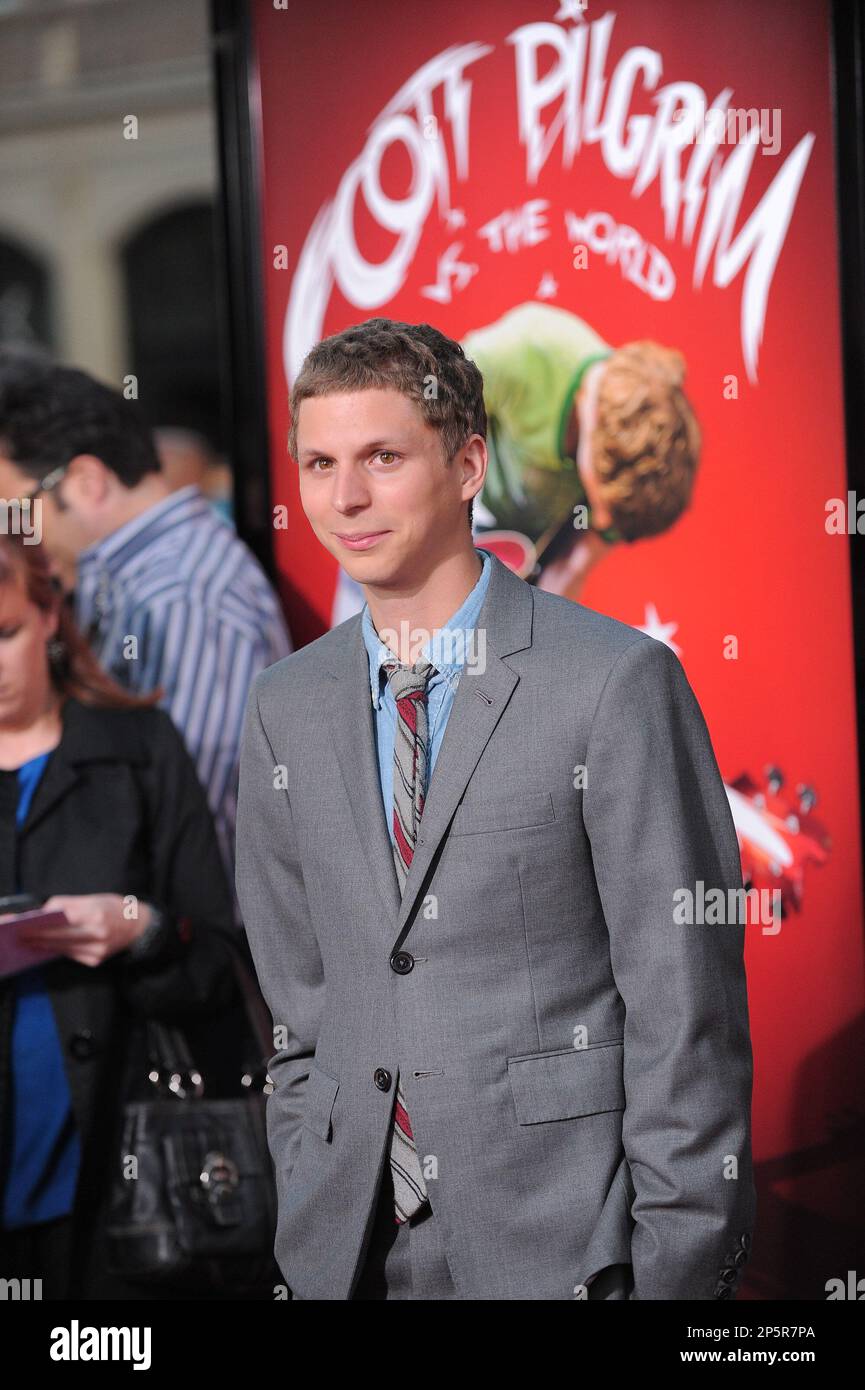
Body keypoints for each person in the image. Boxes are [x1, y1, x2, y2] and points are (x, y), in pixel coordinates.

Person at [235, 316, 756, 1300]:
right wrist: (308, 1176)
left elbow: (684, 1012)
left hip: (565, 1247)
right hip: (345, 1251)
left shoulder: (614, 682)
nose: (343, 497)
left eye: (381, 457)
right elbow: (296, 1007)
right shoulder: (282, 705)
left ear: (468, 463)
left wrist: (676, 1279)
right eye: (318, 463)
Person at [0, 529, 245, 1298]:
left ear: (48, 614)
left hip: (122, 1186)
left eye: (3, 633)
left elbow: (215, 960)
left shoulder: (138, 748)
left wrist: (139, 929)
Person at [0, 352, 293, 897]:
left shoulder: (183, 595)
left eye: (12, 510)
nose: (11, 536)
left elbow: (191, 827)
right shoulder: (138, 583)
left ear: (85, 481)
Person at [460, 300, 701, 598]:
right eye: (601, 508)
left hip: (519, 573)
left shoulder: (634, 488)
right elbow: (422, 439)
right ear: (600, 449)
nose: (599, 523)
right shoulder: (521, 352)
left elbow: (571, 570)